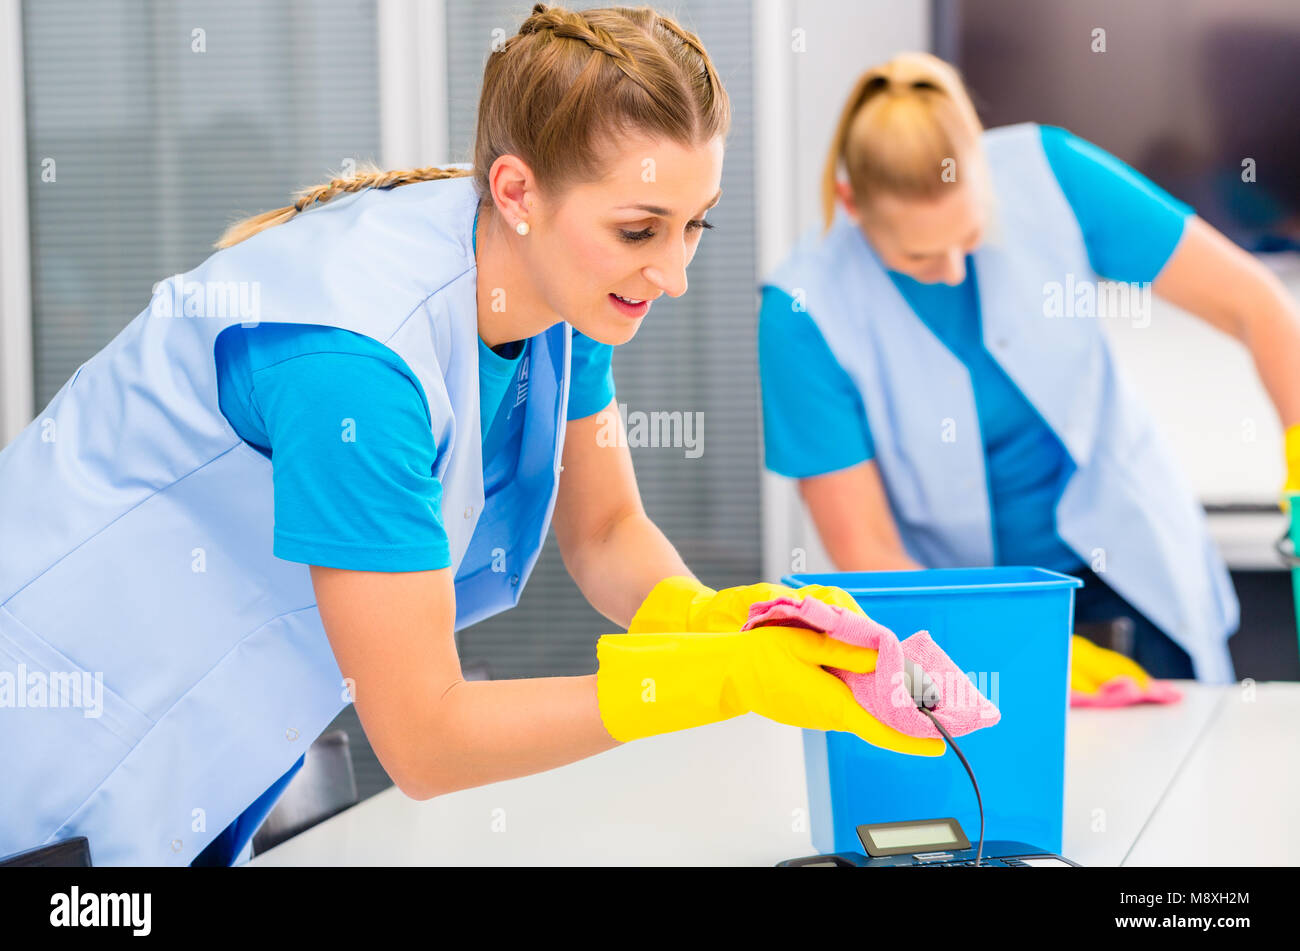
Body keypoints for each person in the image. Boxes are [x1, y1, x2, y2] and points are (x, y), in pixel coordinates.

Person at [0, 4, 941, 869]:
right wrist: (714, 682)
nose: (673, 272)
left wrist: (710, 620)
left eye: (694, 226)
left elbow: (606, 532)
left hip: (198, 750)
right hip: (47, 747)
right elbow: (426, 740)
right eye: (639, 229)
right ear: (517, 188)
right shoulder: (354, 371)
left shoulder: (555, 287)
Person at [759, 52, 1300, 684]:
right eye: (921, 254)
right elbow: (870, 550)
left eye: (969, 235)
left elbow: (1257, 307)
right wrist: (1020, 660)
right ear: (851, 204)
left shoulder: (1051, 174)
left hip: (1133, 565)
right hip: (960, 604)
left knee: (1178, 761)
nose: (955, 271)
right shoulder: (802, 314)